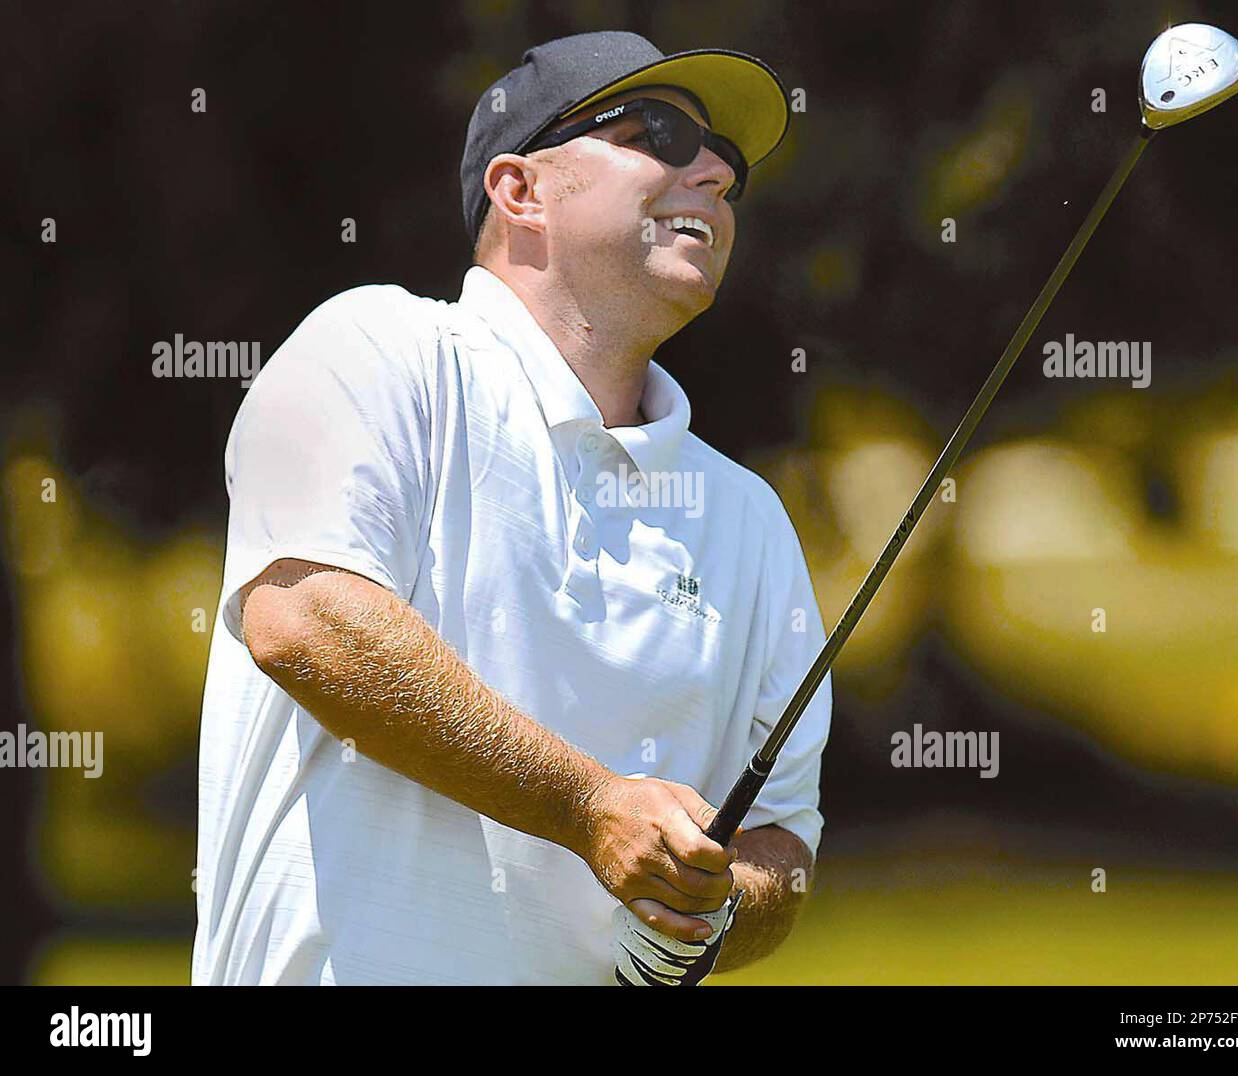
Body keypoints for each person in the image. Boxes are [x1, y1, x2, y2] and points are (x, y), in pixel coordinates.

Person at [192, 29, 832, 986]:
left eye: (727, 164)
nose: (712, 173)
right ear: (520, 190)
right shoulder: (378, 349)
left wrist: (710, 903)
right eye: (657, 131)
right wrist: (588, 807)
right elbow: (306, 619)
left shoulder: (748, 519)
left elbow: (780, 844)